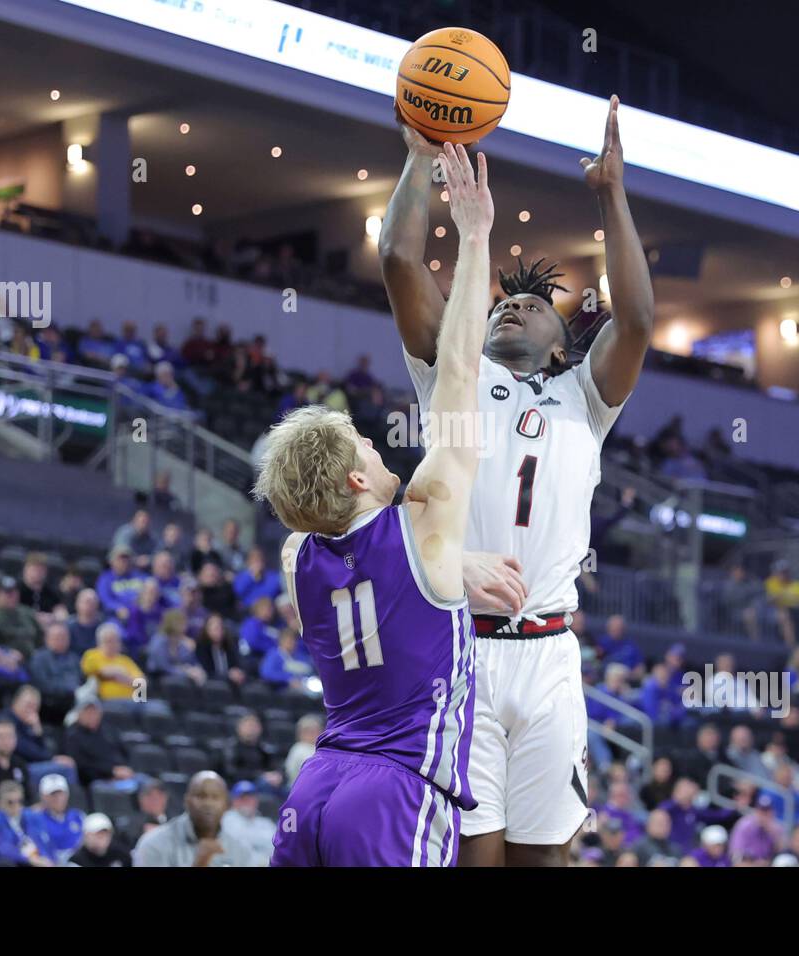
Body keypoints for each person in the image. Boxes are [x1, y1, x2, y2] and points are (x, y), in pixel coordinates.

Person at [382, 98, 654, 867]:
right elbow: (401, 260)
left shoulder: (585, 398)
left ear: (565, 344)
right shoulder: (452, 370)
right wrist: (418, 156)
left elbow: (635, 318)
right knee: (473, 860)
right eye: (501, 301)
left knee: (548, 861)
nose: (511, 308)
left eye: (531, 306)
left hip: (550, 656)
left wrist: (611, 192)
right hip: (460, 650)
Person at [255, 142, 490, 867]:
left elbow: (324, 533)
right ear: (356, 481)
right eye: (364, 445)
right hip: (395, 792)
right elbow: (457, 368)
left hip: (315, 790)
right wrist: (476, 235)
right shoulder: (425, 523)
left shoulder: (299, 558)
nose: (376, 449)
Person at [133, 771, 255, 867]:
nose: (208, 803)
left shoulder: (240, 849)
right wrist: (200, 863)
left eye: (215, 797)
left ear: (227, 805)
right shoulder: (154, 843)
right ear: (186, 801)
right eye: (201, 796)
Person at [0, 780, 51, 867]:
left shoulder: (28, 815)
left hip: (25, 860)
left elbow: (41, 840)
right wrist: (29, 859)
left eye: (20, 801)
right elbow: (0, 846)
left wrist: (45, 859)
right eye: (10, 802)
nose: (16, 806)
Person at [63, 698, 135, 786]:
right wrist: (111, 772)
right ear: (79, 714)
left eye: (94, 712)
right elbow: (81, 766)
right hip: (97, 780)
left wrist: (127, 769)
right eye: (87, 712)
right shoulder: (73, 735)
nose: (91, 715)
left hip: (124, 774)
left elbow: (126, 752)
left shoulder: (109, 730)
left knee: (147, 785)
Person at [23, 773, 85, 864]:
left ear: (67, 794)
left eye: (61, 793)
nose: (58, 798)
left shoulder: (78, 816)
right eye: (52, 795)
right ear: (43, 797)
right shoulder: (34, 818)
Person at [80, 623, 144, 702]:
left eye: (115, 641)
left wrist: (123, 677)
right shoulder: (91, 655)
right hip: (105, 701)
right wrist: (113, 672)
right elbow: (89, 672)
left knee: (158, 708)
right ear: (99, 642)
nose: (112, 645)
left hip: (131, 701)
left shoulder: (125, 660)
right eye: (108, 641)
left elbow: (142, 683)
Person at [67, 813, 132, 867]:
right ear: (86, 836)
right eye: (97, 834)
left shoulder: (121, 854)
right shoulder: (76, 861)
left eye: (105, 834)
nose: (102, 838)